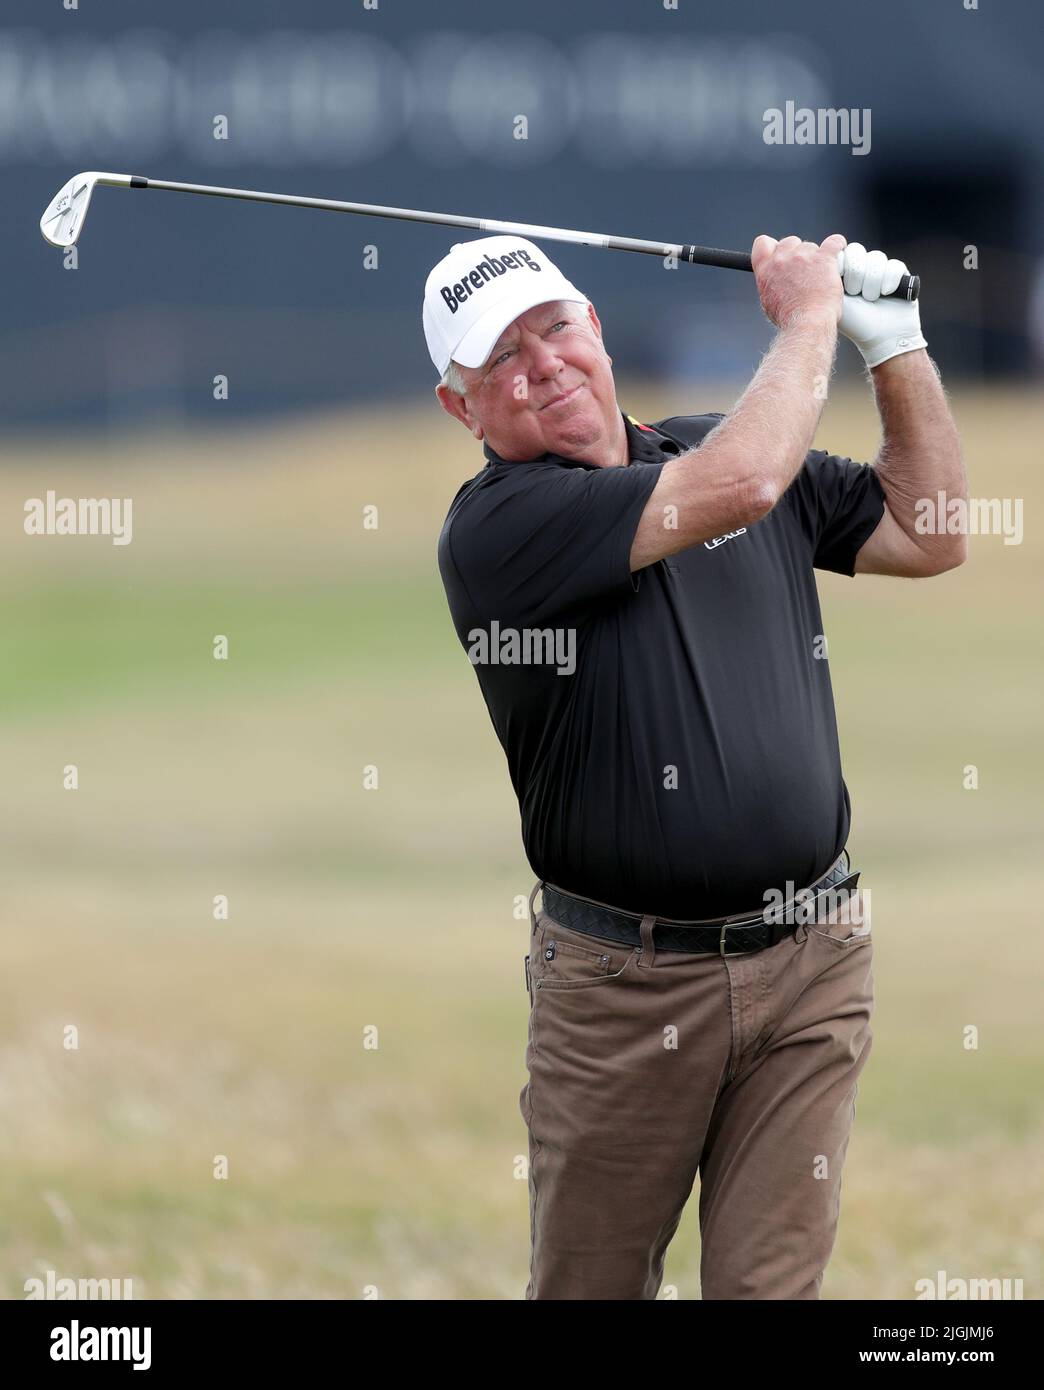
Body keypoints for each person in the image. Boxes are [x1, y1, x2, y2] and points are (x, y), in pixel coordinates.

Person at [424, 231, 967, 1299]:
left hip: (812, 957)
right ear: (464, 409)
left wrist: (894, 343)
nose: (543, 365)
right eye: (502, 361)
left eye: (555, 328)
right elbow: (748, 483)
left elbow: (933, 528)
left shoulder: (711, 448)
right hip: (624, 989)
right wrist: (811, 314)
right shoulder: (502, 528)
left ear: (597, 328)